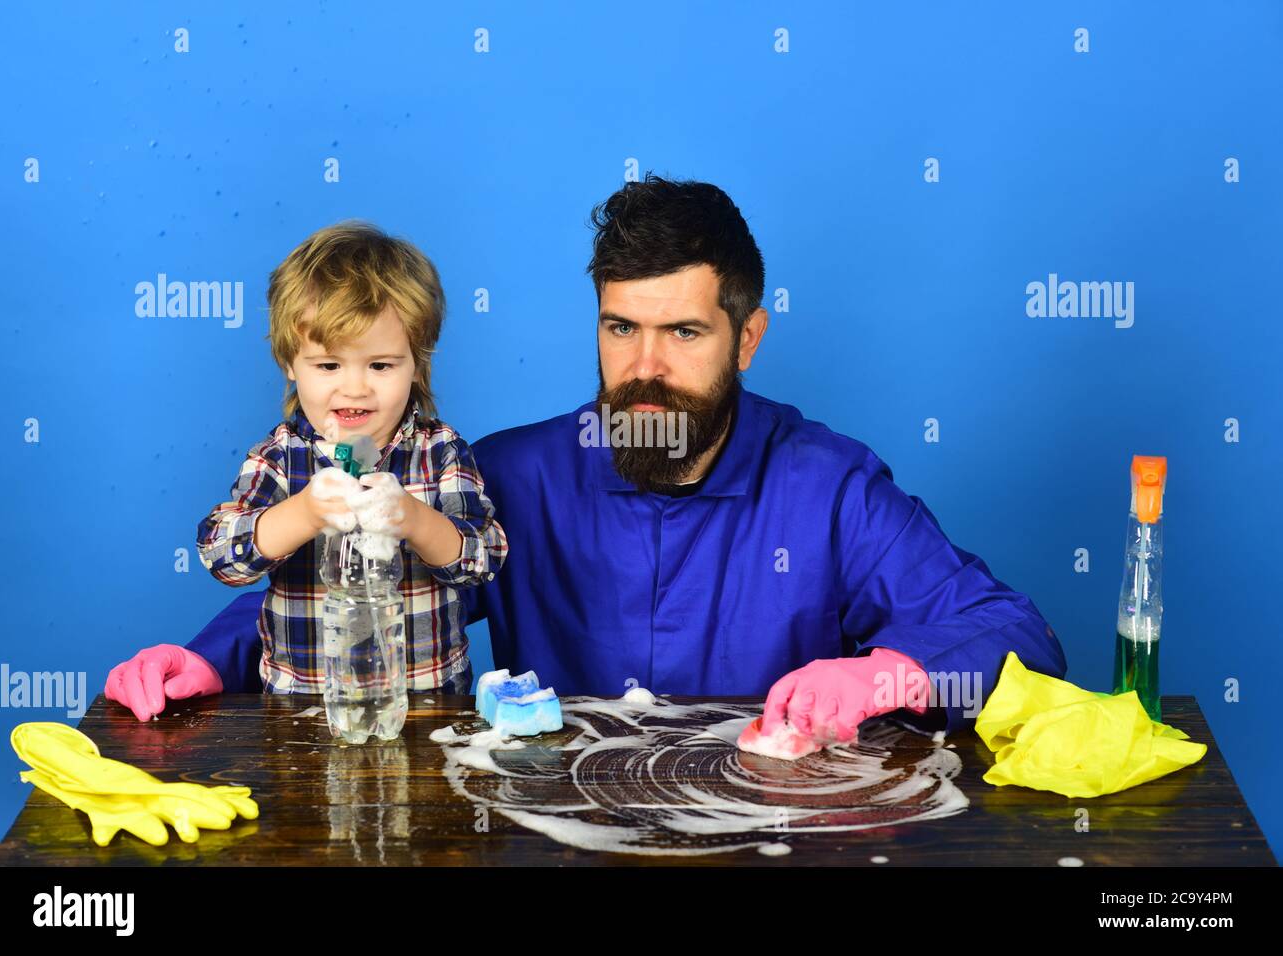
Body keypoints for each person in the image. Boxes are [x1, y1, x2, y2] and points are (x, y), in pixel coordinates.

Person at [109, 178, 1065, 745]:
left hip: (772, 843)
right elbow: (362, 574)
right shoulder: (515, 477)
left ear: (749, 338)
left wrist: (888, 676)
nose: (645, 368)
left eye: (684, 331)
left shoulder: (831, 488)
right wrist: (203, 657)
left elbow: (1016, 636)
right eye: (621, 328)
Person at [105, 222, 507, 721]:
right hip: (300, 706)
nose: (355, 388)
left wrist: (412, 519)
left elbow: (482, 561)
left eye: (380, 366)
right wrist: (305, 511)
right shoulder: (280, 457)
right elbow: (222, 555)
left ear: (417, 366)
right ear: (290, 363)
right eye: (328, 365)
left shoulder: (439, 451)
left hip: (428, 706)